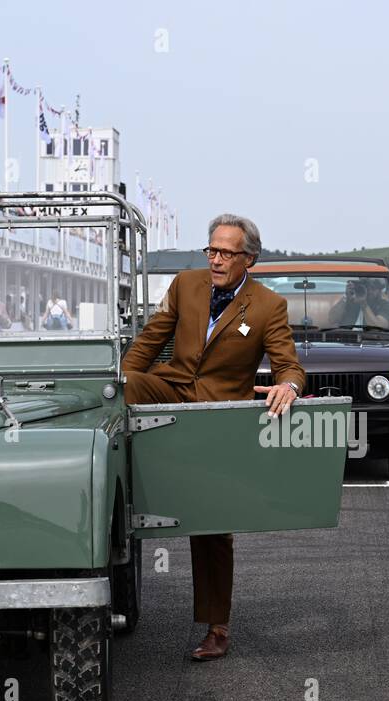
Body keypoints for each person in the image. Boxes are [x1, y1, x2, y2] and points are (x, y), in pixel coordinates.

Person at [122, 213, 304, 663]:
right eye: (212, 250)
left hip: (217, 415)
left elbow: (288, 364)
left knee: (210, 524)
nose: (216, 260)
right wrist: (120, 378)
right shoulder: (186, 285)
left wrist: (289, 386)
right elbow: (150, 342)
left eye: (226, 253)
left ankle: (216, 627)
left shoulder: (268, 306)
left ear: (249, 259)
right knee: (128, 386)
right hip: (174, 387)